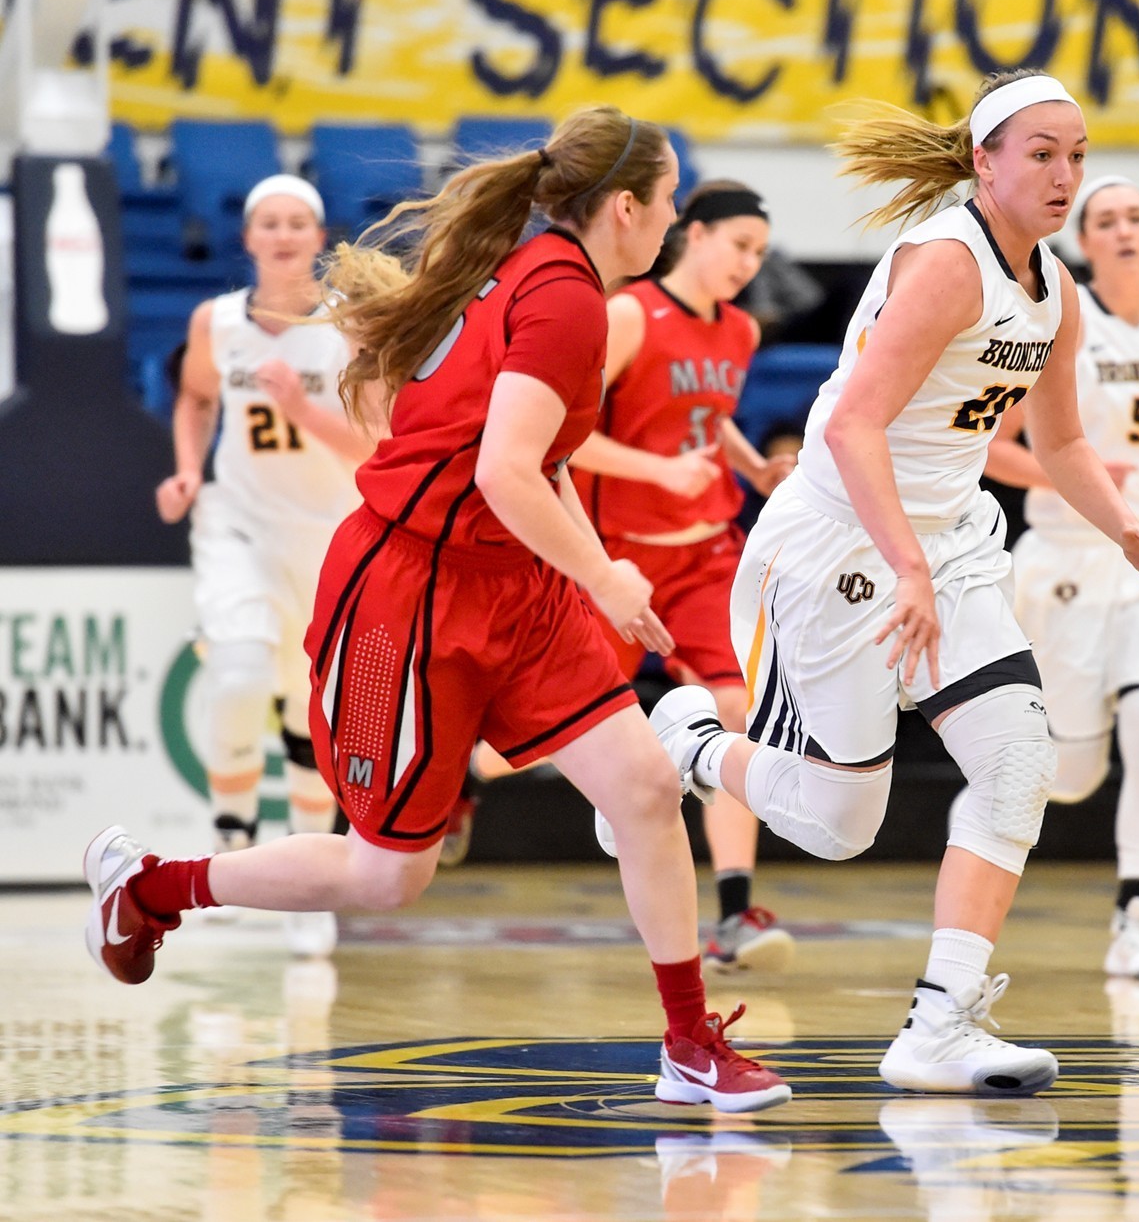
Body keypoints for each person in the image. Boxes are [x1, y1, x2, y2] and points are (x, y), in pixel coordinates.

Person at [84, 106, 791, 1114]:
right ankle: (153, 889)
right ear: (625, 206)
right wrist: (607, 578)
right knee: (387, 878)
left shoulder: (543, 268)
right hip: (410, 590)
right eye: (671, 200)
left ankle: (687, 1041)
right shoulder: (566, 298)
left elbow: (494, 447)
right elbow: (507, 470)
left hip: (510, 582)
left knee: (640, 789)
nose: (675, 221)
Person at [640, 70, 1139, 1094]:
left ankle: (939, 1023)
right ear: (983, 161)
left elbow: (1061, 440)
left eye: (1076, 153)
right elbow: (849, 424)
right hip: (839, 544)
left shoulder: (1054, 290)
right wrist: (904, 567)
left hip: (951, 546)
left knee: (1018, 764)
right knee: (842, 825)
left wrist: (1129, 534)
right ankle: (693, 745)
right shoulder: (946, 262)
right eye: (1041, 153)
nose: (1065, 173)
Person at [982, 175, 1139, 979]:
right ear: (1084, 242)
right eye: (1107, 220)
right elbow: (993, 447)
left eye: (1136, 217)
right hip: (1065, 559)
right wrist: (1067, 475)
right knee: (1075, 772)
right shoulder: (1059, 317)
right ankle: (1004, 805)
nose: (1124, 230)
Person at [573, 180, 796, 973]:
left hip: (706, 551)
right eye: (739, 244)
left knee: (737, 711)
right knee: (538, 739)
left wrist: (748, 465)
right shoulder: (629, 314)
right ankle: (466, 779)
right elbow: (560, 434)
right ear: (692, 235)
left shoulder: (738, 329)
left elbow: (710, 412)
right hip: (615, 559)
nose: (748, 262)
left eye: (760, 253)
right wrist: (654, 470)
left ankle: (735, 912)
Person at [153, 175, 371, 957]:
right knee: (241, 672)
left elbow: (378, 446)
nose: (282, 235)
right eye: (268, 223)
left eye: (297, 223)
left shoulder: (351, 326)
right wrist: (186, 468)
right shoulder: (215, 321)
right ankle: (231, 834)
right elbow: (194, 399)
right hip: (237, 523)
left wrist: (303, 410)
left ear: (320, 236)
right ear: (247, 238)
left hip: (330, 536)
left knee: (310, 715)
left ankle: (308, 886)